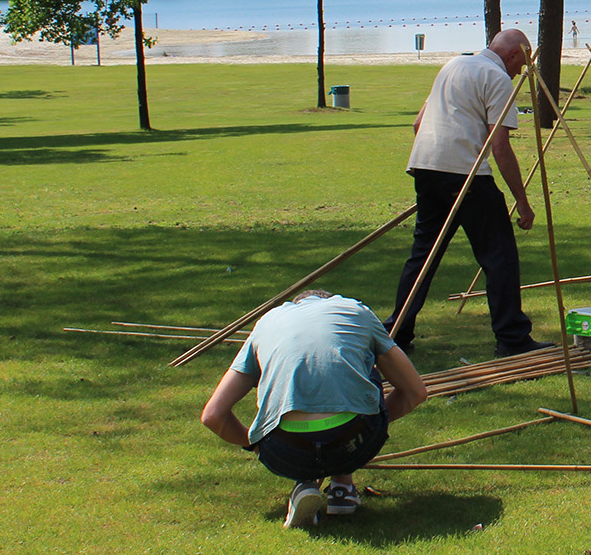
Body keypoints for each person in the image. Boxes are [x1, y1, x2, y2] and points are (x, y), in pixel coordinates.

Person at [199, 290, 430, 528]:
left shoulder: (266, 323)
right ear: (329, 301)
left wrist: (256, 445)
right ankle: (342, 488)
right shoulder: (356, 311)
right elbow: (416, 391)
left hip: (285, 452)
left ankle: (305, 482)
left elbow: (213, 415)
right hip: (353, 443)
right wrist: (370, 423)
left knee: (293, 399)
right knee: (365, 369)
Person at [391, 28, 547, 358]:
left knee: (423, 257)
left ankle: (397, 334)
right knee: (500, 256)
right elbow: (499, 146)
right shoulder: (498, 78)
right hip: (466, 173)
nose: (520, 72)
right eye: (522, 64)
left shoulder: (453, 66)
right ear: (513, 55)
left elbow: (419, 124)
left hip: (425, 166)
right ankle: (512, 338)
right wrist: (522, 201)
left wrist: (436, 165)